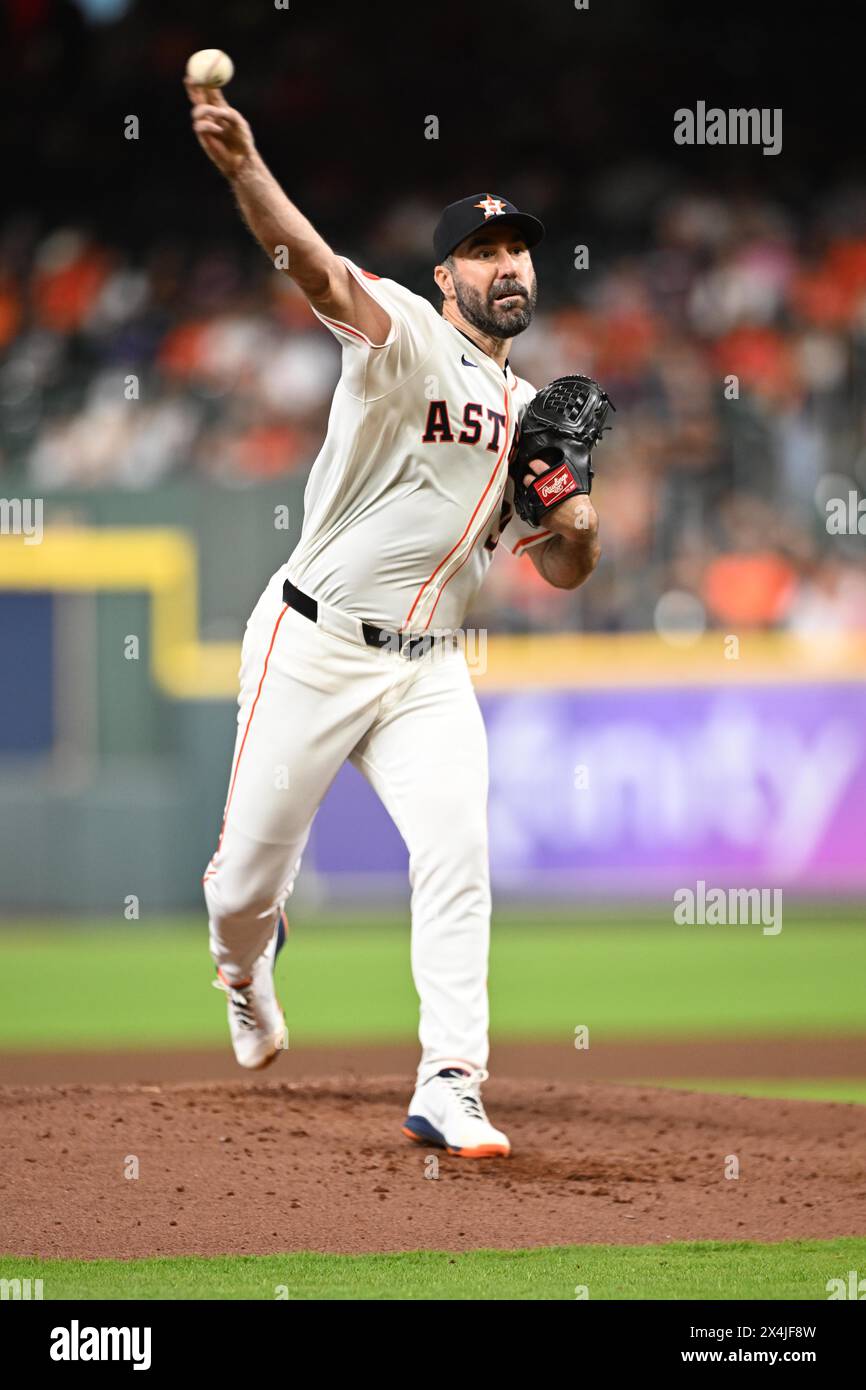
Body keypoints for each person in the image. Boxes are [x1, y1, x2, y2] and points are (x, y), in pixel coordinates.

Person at [188, 80, 600, 1158]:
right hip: (312, 642)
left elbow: (563, 571)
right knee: (240, 885)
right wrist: (243, 169)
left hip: (427, 670)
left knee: (458, 850)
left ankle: (450, 1080)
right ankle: (245, 961)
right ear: (444, 275)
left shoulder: (528, 413)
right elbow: (316, 267)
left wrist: (575, 507)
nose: (506, 264)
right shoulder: (404, 336)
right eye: (483, 249)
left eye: (518, 249)